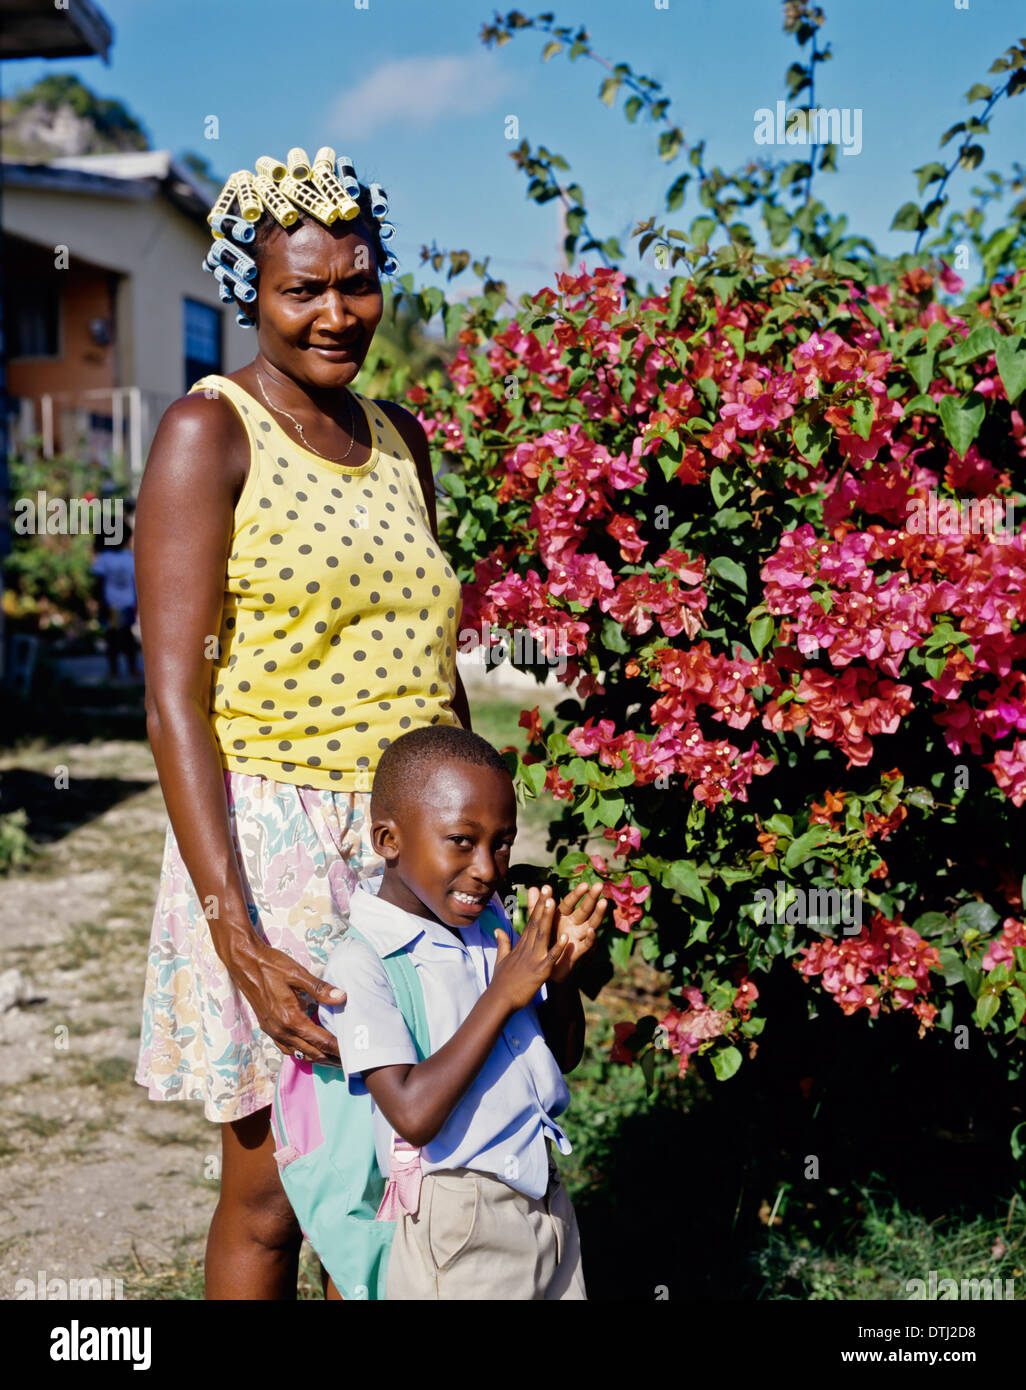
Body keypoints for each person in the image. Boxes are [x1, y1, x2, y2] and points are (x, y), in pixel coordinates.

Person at [132, 146, 472, 1299]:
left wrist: (474, 840)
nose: (337, 312)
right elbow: (175, 697)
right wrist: (237, 935)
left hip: (410, 848)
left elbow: (436, 665)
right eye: (302, 289)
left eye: (357, 281)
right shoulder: (207, 433)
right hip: (275, 846)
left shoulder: (401, 440)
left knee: (398, 1161)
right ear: (250, 290)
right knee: (282, 1186)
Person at [317, 724, 607, 1300]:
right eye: (461, 841)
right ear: (388, 839)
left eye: (502, 842)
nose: (488, 868)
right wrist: (501, 995)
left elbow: (563, 1057)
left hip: (544, 1196)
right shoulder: (363, 966)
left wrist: (560, 978)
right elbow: (413, 1113)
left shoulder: (489, 927)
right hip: (460, 1218)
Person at [90, 522, 140, 681]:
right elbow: (99, 582)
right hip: (113, 604)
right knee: (117, 638)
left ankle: (123, 669)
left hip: (121, 604)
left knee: (122, 637)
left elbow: (99, 582)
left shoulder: (109, 558)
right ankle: (120, 669)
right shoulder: (119, 558)